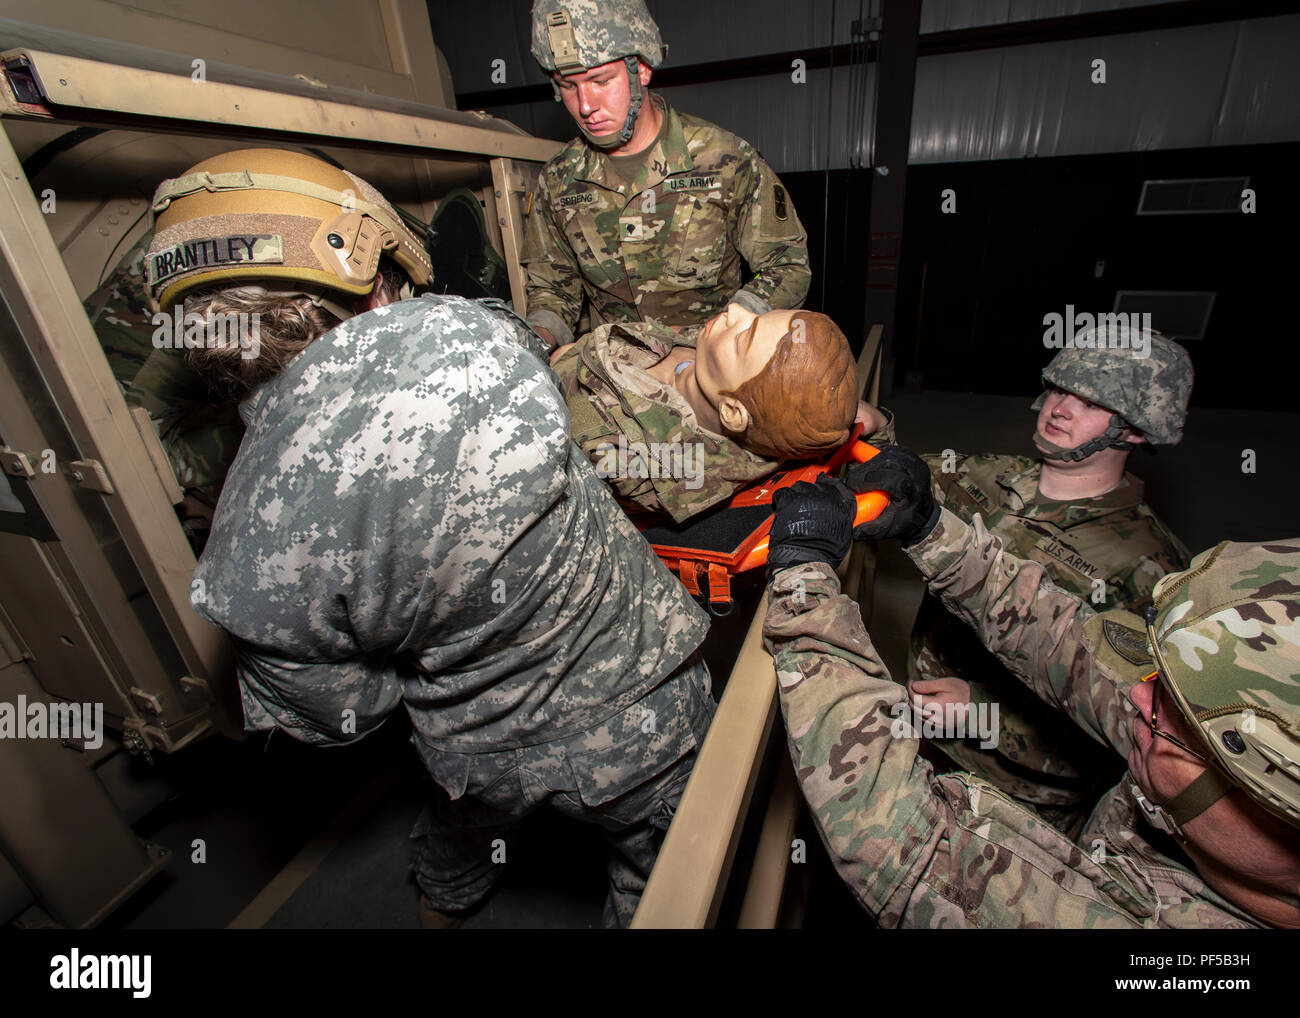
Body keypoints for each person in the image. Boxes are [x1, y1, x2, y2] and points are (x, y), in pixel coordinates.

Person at [147, 147, 716, 928]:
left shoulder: (241, 553)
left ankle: (446, 902)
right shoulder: (473, 337)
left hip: (476, 753)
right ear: (372, 274)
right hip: (642, 712)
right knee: (663, 880)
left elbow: (349, 711)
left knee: (457, 847)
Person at [760, 451, 1300, 928]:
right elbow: (1067, 642)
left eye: (1181, 727)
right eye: (1161, 679)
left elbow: (898, 841)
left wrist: (805, 587)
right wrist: (931, 531)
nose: (1140, 696)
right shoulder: (1196, 727)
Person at [906, 330, 1193, 836]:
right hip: (920, 738)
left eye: (1090, 402)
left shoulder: (1152, 570)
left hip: (1020, 802)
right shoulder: (987, 474)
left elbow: (1133, 731)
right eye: (1060, 390)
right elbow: (902, 476)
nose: (1060, 409)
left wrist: (978, 713)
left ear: (1134, 431)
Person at [521, 0, 811, 354]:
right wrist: (534, 338)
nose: (585, 105)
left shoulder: (724, 159)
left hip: (709, 366)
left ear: (641, 69)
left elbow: (787, 263)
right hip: (613, 376)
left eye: (601, 81)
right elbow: (554, 291)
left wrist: (728, 328)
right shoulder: (558, 181)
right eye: (568, 86)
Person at [553, 303, 890, 521]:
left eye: (742, 338)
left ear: (731, 413)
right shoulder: (763, 409)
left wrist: (565, 361)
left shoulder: (636, 459)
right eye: (755, 317)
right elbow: (863, 417)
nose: (735, 308)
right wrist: (870, 418)